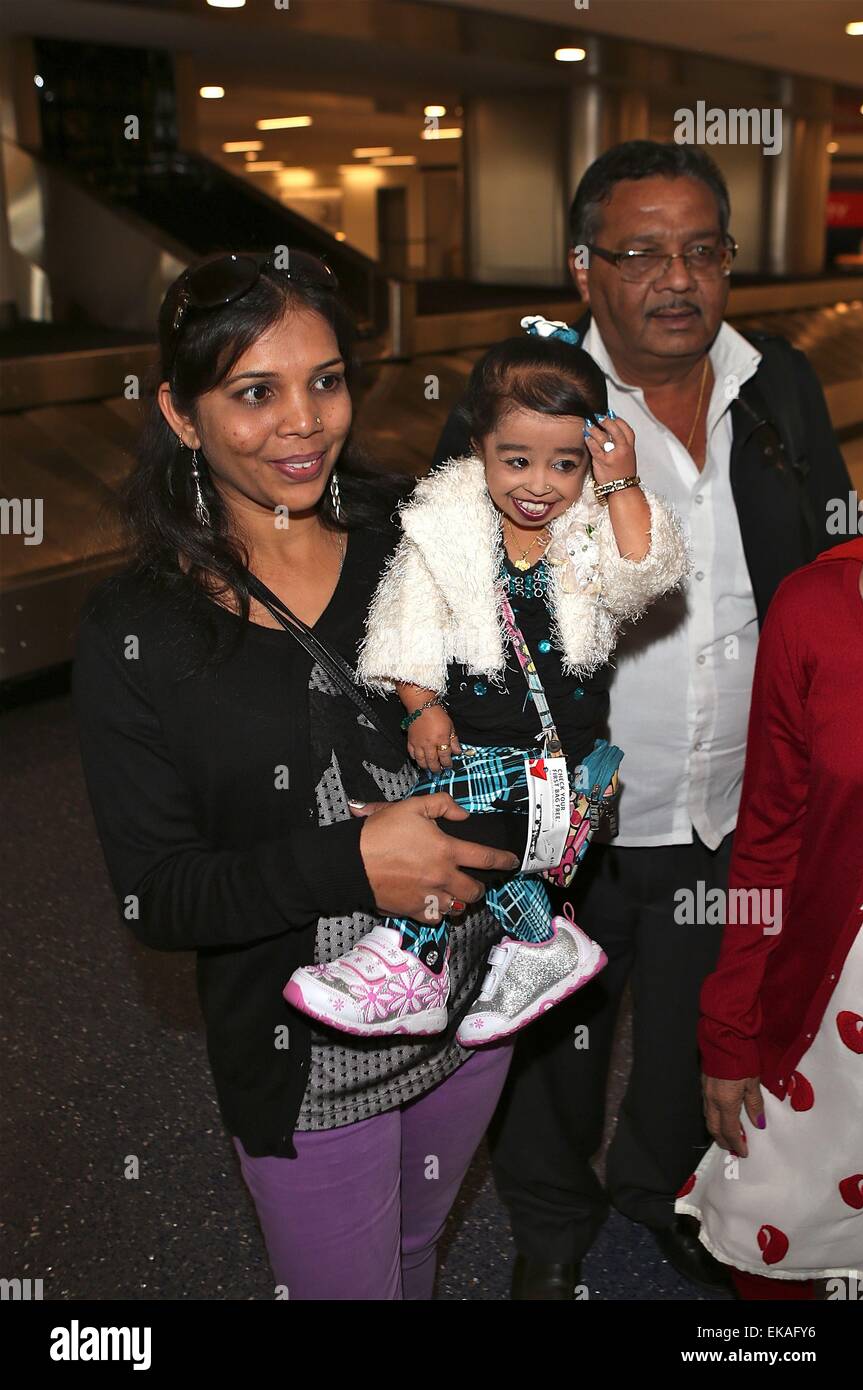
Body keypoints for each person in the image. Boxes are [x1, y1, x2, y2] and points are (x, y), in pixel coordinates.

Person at [432, 141, 855, 1299]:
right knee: (551, 1046)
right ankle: (553, 1230)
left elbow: (821, 576)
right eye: (640, 253)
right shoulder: (521, 400)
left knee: (686, 1037)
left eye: (701, 251)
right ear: (583, 268)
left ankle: (651, 1190)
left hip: (729, 806)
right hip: (573, 815)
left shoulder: (778, 387)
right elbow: (452, 594)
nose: (676, 279)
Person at [72, 248, 525, 1301]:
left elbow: (502, 712)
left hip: (471, 999)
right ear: (182, 415)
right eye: (253, 392)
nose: (304, 422)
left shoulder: (404, 531)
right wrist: (352, 858)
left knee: (415, 1253)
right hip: (306, 1059)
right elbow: (160, 893)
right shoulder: (140, 629)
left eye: (325, 380)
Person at [287, 320, 687, 1047]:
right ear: (477, 448)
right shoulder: (445, 525)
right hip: (472, 738)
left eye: (565, 465)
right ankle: (529, 947)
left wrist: (620, 481)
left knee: (436, 824)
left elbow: (646, 571)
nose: (538, 486)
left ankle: (414, 957)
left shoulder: (593, 525)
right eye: (516, 460)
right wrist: (422, 704)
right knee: (483, 853)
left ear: (590, 457)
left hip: (557, 754)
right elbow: (406, 623)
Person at [677, 535, 863, 1300]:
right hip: (827, 1007)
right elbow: (765, 843)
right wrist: (730, 1024)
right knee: (778, 1231)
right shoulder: (813, 608)